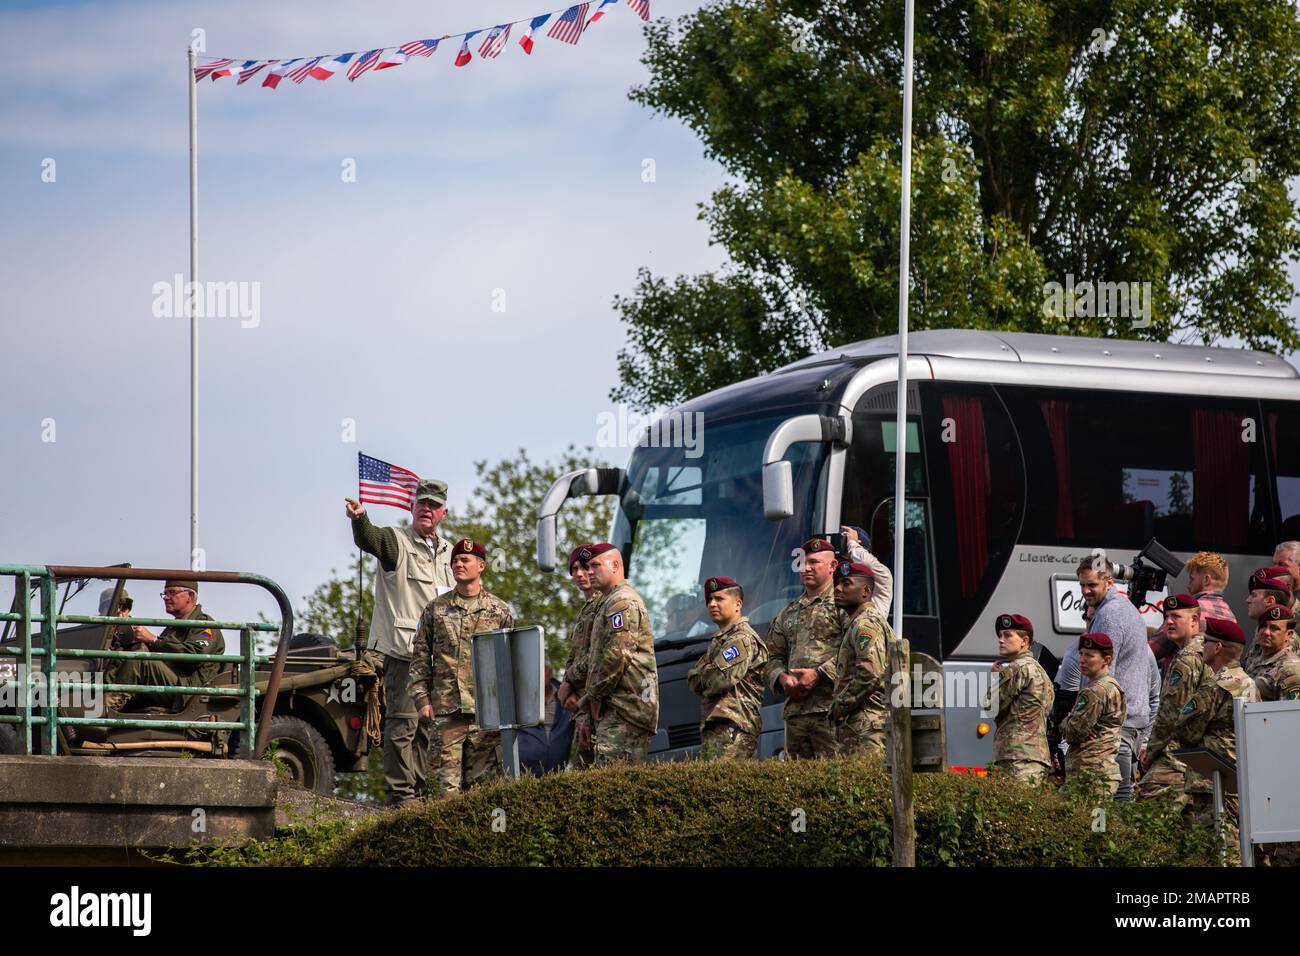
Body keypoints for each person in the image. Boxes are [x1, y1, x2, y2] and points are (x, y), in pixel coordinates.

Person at [346, 478, 454, 808]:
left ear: (443, 513)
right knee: (402, 725)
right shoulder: (398, 542)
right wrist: (361, 519)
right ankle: (401, 795)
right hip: (404, 652)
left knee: (428, 729)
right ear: (412, 506)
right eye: (421, 503)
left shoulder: (452, 553)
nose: (426, 509)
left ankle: (420, 793)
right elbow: (371, 540)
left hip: (440, 659)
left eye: (433, 506)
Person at [409, 537, 514, 798]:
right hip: (446, 713)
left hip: (486, 716)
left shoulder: (499, 611)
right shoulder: (436, 609)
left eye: (465, 560)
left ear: (481, 566)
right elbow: (420, 657)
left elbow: (510, 663)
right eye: (454, 560)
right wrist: (422, 700)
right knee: (445, 795)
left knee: (485, 794)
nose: (458, 564)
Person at [1173, 616, 1259, 863]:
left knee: (1217, 853)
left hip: (1214, 781)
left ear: (1218, 647)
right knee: (1238, 848)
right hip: (1239, 779)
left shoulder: (1216, 685)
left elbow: (1185, 730)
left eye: (1207, 641)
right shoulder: (1248, 683)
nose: (1202, 647)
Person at [1076, 555, 1149, 801]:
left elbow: (1100, 673)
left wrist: (1084, 720)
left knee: (1108, 802)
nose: (1086, 591)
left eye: (1092, 585)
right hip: (1128, 722)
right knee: (1119, 798)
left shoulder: (1110, 615)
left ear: (1109, 582)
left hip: (1113, 727)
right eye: (1082, 585)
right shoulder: (1124, 608)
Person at [578, 543, 659, 765]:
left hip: (625, 710)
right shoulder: (608, 602)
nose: (589, 571)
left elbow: (616, 658)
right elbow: (597, 663)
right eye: (588, 566)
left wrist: (593, 697)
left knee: (615, 786)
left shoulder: (622, 602)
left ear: (615, 565)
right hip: (614, 709)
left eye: (595, 565)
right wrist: (587, 711)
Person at [764, 538, 844, 758]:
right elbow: (772, 656)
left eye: (814, 562)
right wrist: (781, 677)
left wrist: (818, 675)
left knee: (837, 781)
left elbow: (856, 653)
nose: (807, 568)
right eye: (803, 563)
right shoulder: (788, 613)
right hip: (797, 714)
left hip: (833, 710)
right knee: (800, 785)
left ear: (832, 566)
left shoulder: (845, 606)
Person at [108, 580, 224, 712]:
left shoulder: (205, 625)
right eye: (165, 593)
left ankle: (104, 712)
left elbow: (195, 657)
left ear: (190, 596)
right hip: (171, 686)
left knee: (140, 659)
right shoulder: (174, 627)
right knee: (128, 652)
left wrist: (153, 640)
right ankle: (94, 704)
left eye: (172, 593)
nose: (166, 598)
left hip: (187, 692)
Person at [1136, 594, 1209, 803]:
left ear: (1194, 620)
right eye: (1167, 616)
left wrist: (1150, 753)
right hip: (1198, 759)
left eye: (1176, 616)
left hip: (1175, 759)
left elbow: (1169, 715)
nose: (1168, 622)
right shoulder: (1207, 651)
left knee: (1144, 823)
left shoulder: (1186, 660)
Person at [686, 577, 766, 760]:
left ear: (738, 604)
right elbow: (693, 682)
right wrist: (706, 672)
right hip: (718, 726)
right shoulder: (720, 640)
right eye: (710, 600)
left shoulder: (741, 639)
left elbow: (718, 680)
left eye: (719, 599)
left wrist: (703, 671)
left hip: (734, 728)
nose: (712, 604)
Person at [828, 561, 893, 757]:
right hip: (860, 724)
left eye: (846, 583)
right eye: (837, 583)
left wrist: (840, 706)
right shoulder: (858, 621)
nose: (838, 588)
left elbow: (870, 673)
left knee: (867, 784)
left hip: (867, 727)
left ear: (865, 591)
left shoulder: (866, 624)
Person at [982, 613, 1054, 784]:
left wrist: (995, 679)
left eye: (1008, 635)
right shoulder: (1041, 671)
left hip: (1016, 757)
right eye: (1000, 635)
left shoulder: (1016, 669)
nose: (1001, 639)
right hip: (1038, 756)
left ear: (1024, 640)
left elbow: (990, 708)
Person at [1059, 633, 1126, 797]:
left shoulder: (1095, 691)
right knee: (1096, 821)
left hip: (1090, 773)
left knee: (1095, 822)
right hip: (1097, 772)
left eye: (1089, 655)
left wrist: (1065, 721)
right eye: (1081, 653)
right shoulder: (1111, 685)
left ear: (1106, 660)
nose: (1082, 659)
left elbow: (1073, 732)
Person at [556, 544, 598, 767]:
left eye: (585, 567)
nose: (580, 574)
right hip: (581, 706)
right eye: (574, 569)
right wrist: (569, 688)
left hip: (599, 706)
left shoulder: (606, 605)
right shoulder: (586, 610)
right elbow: (576, 655)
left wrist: (567, 683)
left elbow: (598, 657)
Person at [518, 663, 576, 777]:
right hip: (524, 775)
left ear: (551, 672)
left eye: (543, 670)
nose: (540, 674)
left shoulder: (566, 696)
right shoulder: (519, 696)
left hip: (557, 774)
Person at [1246, 603, 1300, 702]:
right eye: (1263, 626)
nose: (1266, 632)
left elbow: (1292, 713)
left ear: (1288, 634)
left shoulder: (1290, 669)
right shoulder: (1255, 658)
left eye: (1274, 628)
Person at [839, 525, 894, 619]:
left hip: (869, 630)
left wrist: (852, 544)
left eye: (845, 542)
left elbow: (866, 562)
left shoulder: (882, 573)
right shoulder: (841, 575)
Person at [1243, 573, 1294, 669]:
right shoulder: (1261, 630)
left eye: (1254, 596)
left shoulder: (1287, 638)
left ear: (1270, 601)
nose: (1248, 600)